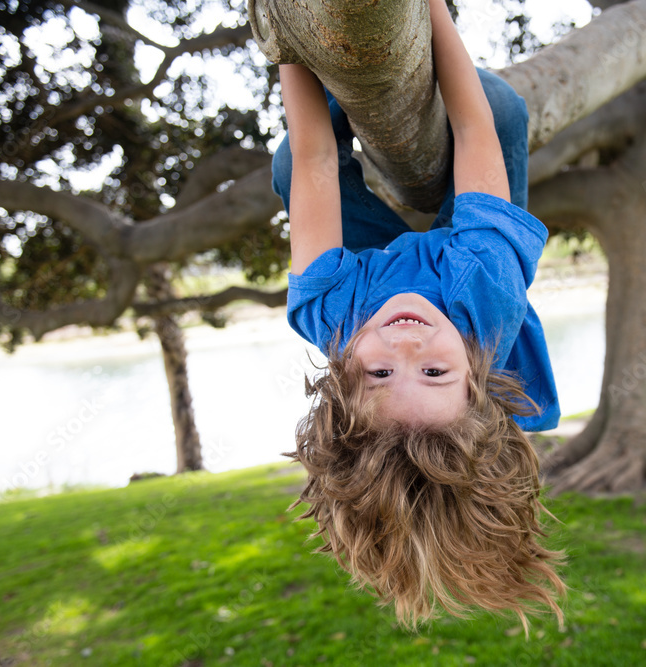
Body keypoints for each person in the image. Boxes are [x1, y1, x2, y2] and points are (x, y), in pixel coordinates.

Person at [273, 0, 565, 633]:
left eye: (379, 377)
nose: (406, 347)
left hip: (371, 267)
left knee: (284, 161)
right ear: (476, 379)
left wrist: (287, 38)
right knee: (501, 105)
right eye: (433, 373)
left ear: (342, 377)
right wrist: (431, 8)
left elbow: (316, 160)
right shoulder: (486, 288)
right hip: (459, 274)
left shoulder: (332, 312)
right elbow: (474, 125)